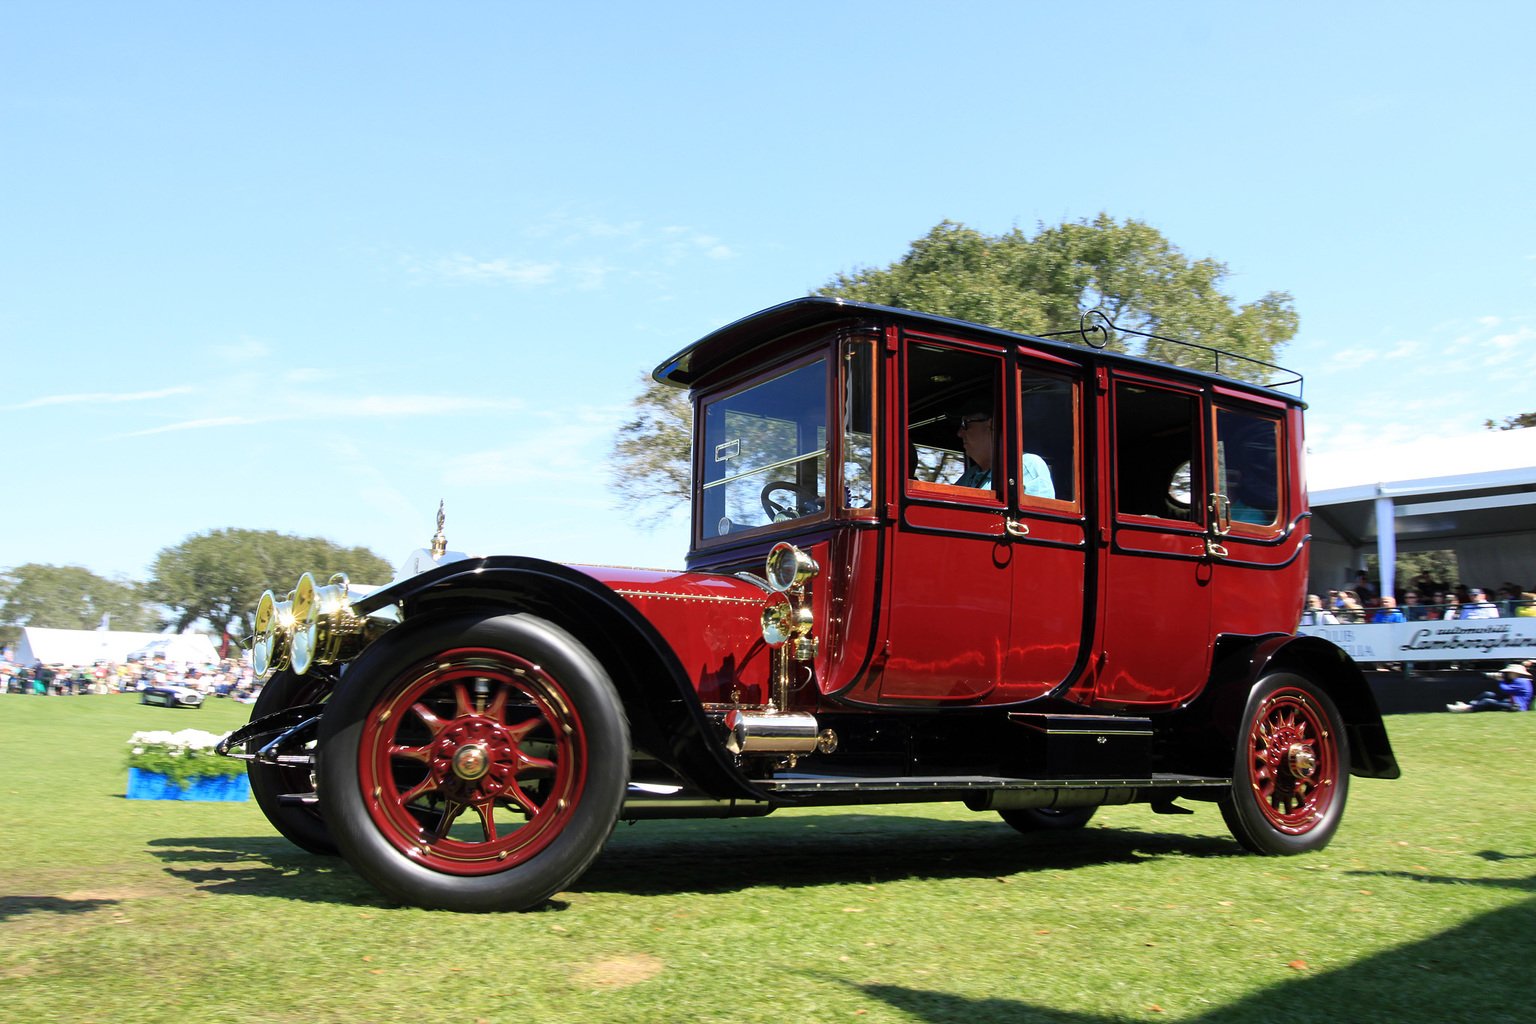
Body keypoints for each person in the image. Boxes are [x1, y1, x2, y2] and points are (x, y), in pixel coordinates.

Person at [953, 404, 1055, 498]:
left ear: (992, 424)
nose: (959, 433)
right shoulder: (970, 475)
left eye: (965, 423)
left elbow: (1035, 516)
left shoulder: (1024, 466)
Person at [1448, 663, 1533, 712]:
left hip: (1516, 706)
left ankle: (1466, 708)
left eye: (1509, 672)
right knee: (1488, 694)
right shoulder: (1523, 681)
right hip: (1512, 702)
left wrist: (1501, 680)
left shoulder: (1521, 681)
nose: (1507, 674)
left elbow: (1505, 690)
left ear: (1514, 673)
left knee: (1487, 701)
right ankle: (1469, 705)